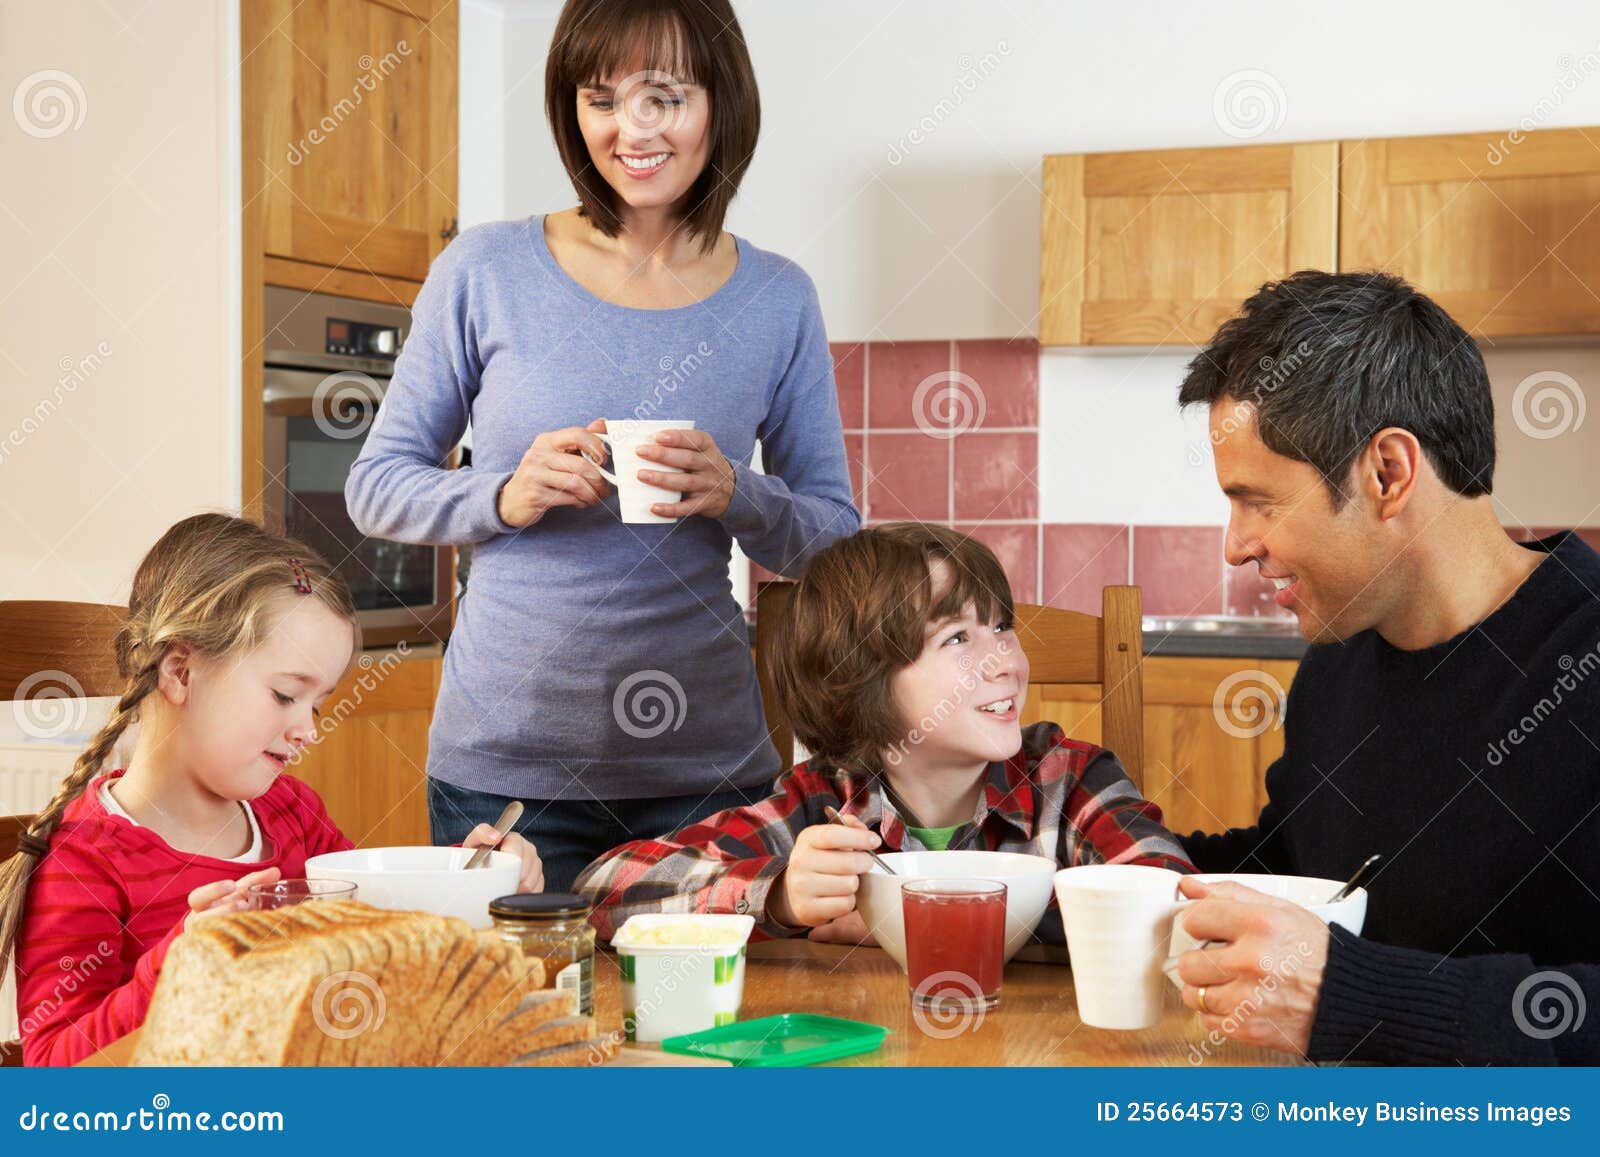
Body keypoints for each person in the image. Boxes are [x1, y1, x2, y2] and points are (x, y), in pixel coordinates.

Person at [344, 0, 858, 892]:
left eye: (664, 96)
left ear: (720, 102)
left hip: (706, 773)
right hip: (505, 771)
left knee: (703, 1029)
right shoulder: (485, 270)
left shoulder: (778, 297)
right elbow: (377, 486)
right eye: (601, 99)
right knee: (516, 1025)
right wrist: (504, 494)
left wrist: (736, 490)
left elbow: (835, 537)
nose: (632, 130)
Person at [1169, 270, 1600, 1064]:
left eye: (1259, 501)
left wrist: (1354, 1000)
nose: (1236, 542)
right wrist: (1026, 868)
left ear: (1388, 473)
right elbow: (1298, 867)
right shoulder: (1336, 666)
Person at [0, 515, 541, 1066]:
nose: (308, 728)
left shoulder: (291, 812)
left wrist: (474, 874)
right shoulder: (80, 861)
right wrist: (182, 964)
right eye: (285, 696)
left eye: (318, 704)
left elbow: (378, 919)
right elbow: (54, 1074)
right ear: (181, 672)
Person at [575, 523, 1193, 943]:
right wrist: (779, 895)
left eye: (1001, 627)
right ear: (865, 682)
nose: (1006, 659)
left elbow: (1169, 903)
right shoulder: (820, 804)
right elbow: (601, 893)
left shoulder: (1072, 778)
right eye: (957, 639)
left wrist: (911, 922)